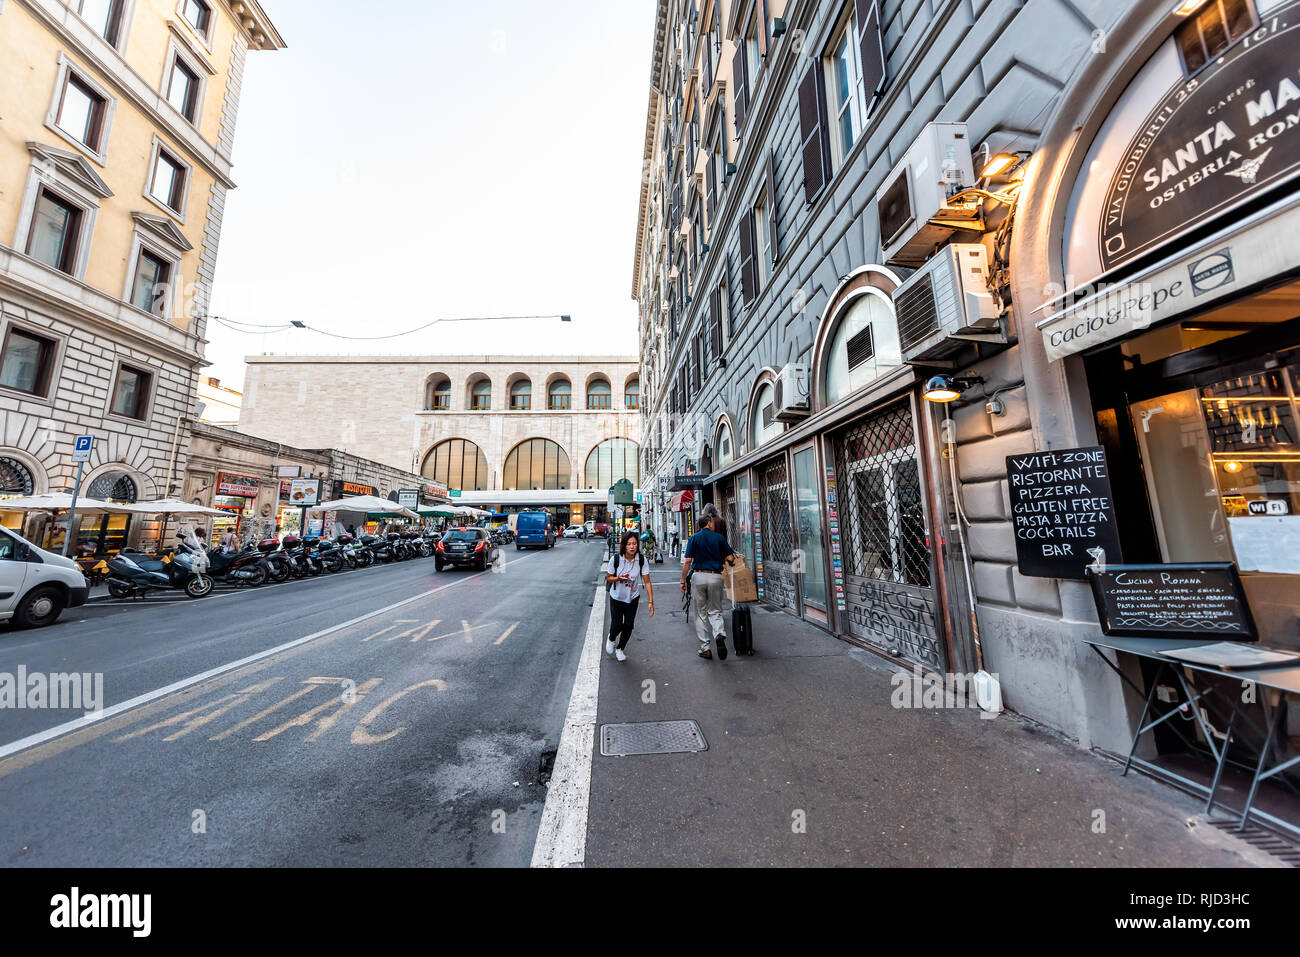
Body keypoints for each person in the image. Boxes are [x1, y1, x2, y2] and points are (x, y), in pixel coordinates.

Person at [681, 503, 737, 661]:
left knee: (700, 614)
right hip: (716, 576)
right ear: (709, 523)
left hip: (699, 576)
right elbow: (731, 558)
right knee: (716, 610)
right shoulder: (719, 537)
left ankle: (705, 648)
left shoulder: (693, 538)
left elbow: (687, 561)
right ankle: (719, 634)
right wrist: (730, 562)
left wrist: (682, 580)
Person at [605, 531, 654, 662]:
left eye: (634, 544)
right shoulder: (615, 559)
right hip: (616, 597)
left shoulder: (641, 560)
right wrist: (617, 578)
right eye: (629, 544)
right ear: (624, 546)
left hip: (633, 597)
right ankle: (611, 638)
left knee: (628, 625)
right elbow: (608, 578)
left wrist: (651, 601)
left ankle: (620, 648)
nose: (632, 547)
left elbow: (647, 581)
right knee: (617, 624)